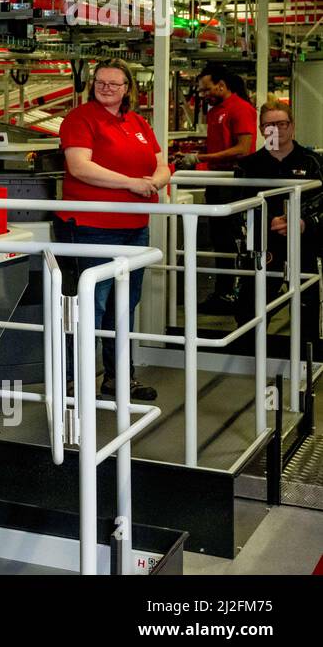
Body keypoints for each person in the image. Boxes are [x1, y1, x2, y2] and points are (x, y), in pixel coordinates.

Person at [54, 58, 169, 401]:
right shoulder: (80, 119)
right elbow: (80, 167)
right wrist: (133, 184)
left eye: (114, 83)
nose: (106, 88)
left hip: (134, 228)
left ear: (127, 89)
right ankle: (75, 382)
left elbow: (162, 164)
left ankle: (119, 378)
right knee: (90, 306)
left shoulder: (137, 122)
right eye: (100, 82)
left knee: (125, 305)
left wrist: (154, 182)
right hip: (91, 227)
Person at [234, 99, 323, 349]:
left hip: (306, 245)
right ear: (262, 129)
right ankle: (250, 359)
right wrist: (267, 220)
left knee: (308, 305)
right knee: (250, 308)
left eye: (282, 123)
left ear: (292, 126)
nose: (276, 129)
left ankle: (308, 363)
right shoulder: (248, 165)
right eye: (269, 125)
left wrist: (306, 223)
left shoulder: (312, 163)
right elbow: (239, 209)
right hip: (264, 247)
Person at [178, 64, 257, 312]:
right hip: (217, 183)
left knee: (233, 240)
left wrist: (202, 159)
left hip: (233, 183)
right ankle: (222, 292)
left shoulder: (241, 109)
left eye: (206, 89)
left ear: (221, 85)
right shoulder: (215, 111)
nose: (203, 95)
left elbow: (244, 149)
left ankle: (235, 293)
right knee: (219, 240)